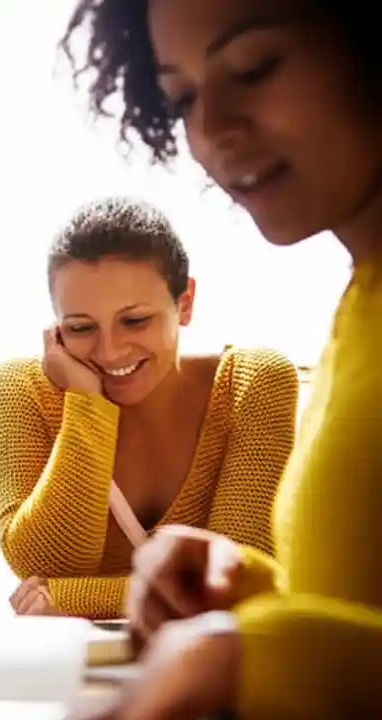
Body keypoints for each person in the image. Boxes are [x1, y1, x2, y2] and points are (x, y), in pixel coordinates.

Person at [62, 1, 382, 718]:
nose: (211, 131)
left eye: (257, 67)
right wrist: (240, 593)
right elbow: (346, 611)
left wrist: (245, 651)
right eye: (182, 99)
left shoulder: (258, 376)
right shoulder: (359, 309)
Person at [0, 196, 298, 621]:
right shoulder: (22, 387)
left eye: (135, 321)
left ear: (184, 303)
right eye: (81, 327)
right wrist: (87, 401)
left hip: (216, 672)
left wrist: (75, 598)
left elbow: (233, 583)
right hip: (71, 672)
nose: (111, 350)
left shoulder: (254, 382)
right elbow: (44, 564)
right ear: (57, 326)